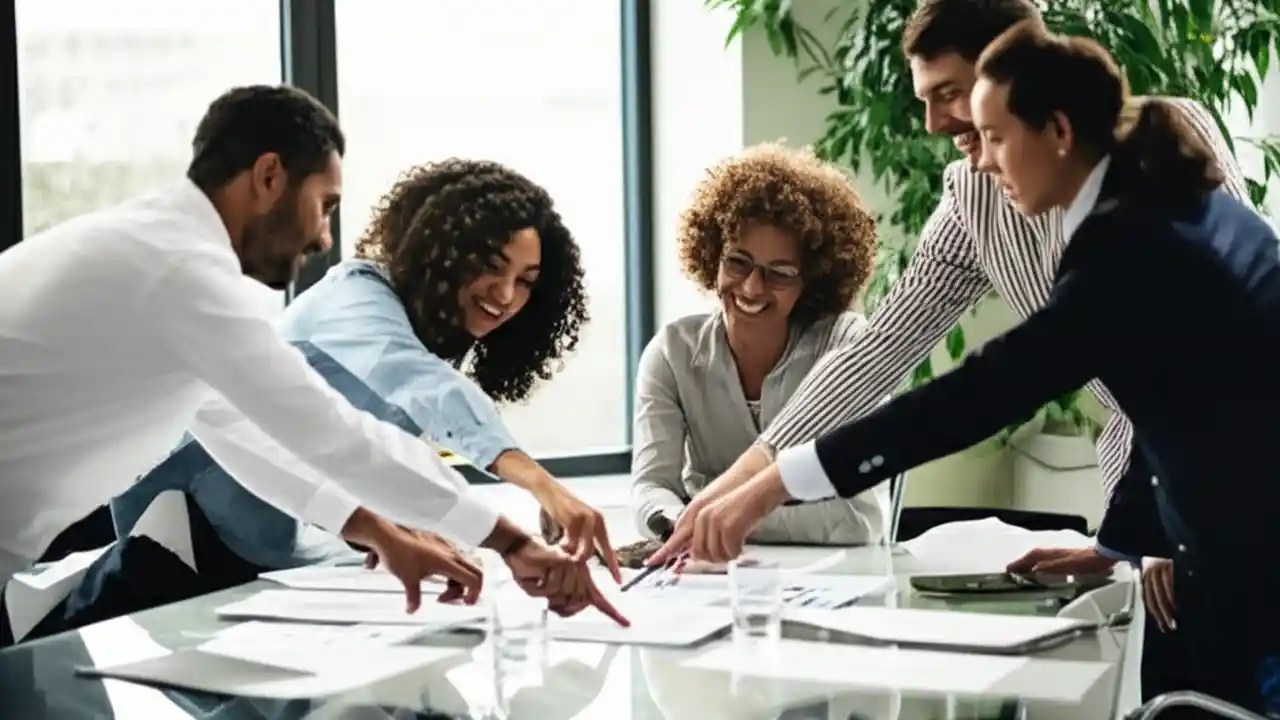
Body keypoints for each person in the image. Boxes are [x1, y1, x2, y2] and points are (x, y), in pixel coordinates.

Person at [659, 21, 1280, 715]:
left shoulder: (1129, 243)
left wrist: (775, 488)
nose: (973, 156)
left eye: (989, 130)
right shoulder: (1136, 202)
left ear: (1054, 125)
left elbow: (975, 397)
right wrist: (1121, 540)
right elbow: (1169, 390)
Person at [0, 85, 617, 645]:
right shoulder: (184, 274)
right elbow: (328, 432)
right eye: (324, 205)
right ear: (269, 177)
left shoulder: (163, 260)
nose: (325, 236)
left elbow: (242, 432)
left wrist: (378, 531)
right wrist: (510, 537)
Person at [95, 158, 621, 612]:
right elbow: (419, 388)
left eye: (526, 281)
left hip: (280, 534)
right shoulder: (356, 297)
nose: (505, 294)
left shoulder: (435, 338)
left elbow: (371, 455)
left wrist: (410, 527)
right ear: (443, 251)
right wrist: (543, 488)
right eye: (491, 266)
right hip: (186, 520)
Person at [631, 142, 887, 546]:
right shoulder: (672, 353)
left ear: (812, 280)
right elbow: (650, 491)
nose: (751, 287)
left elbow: (858, 519)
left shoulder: (845, 343)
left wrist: (718, 515)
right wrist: (677, 523)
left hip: (836, 582)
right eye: (737, 262)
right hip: (713, 575)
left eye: (780, 273)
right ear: (713, 255)